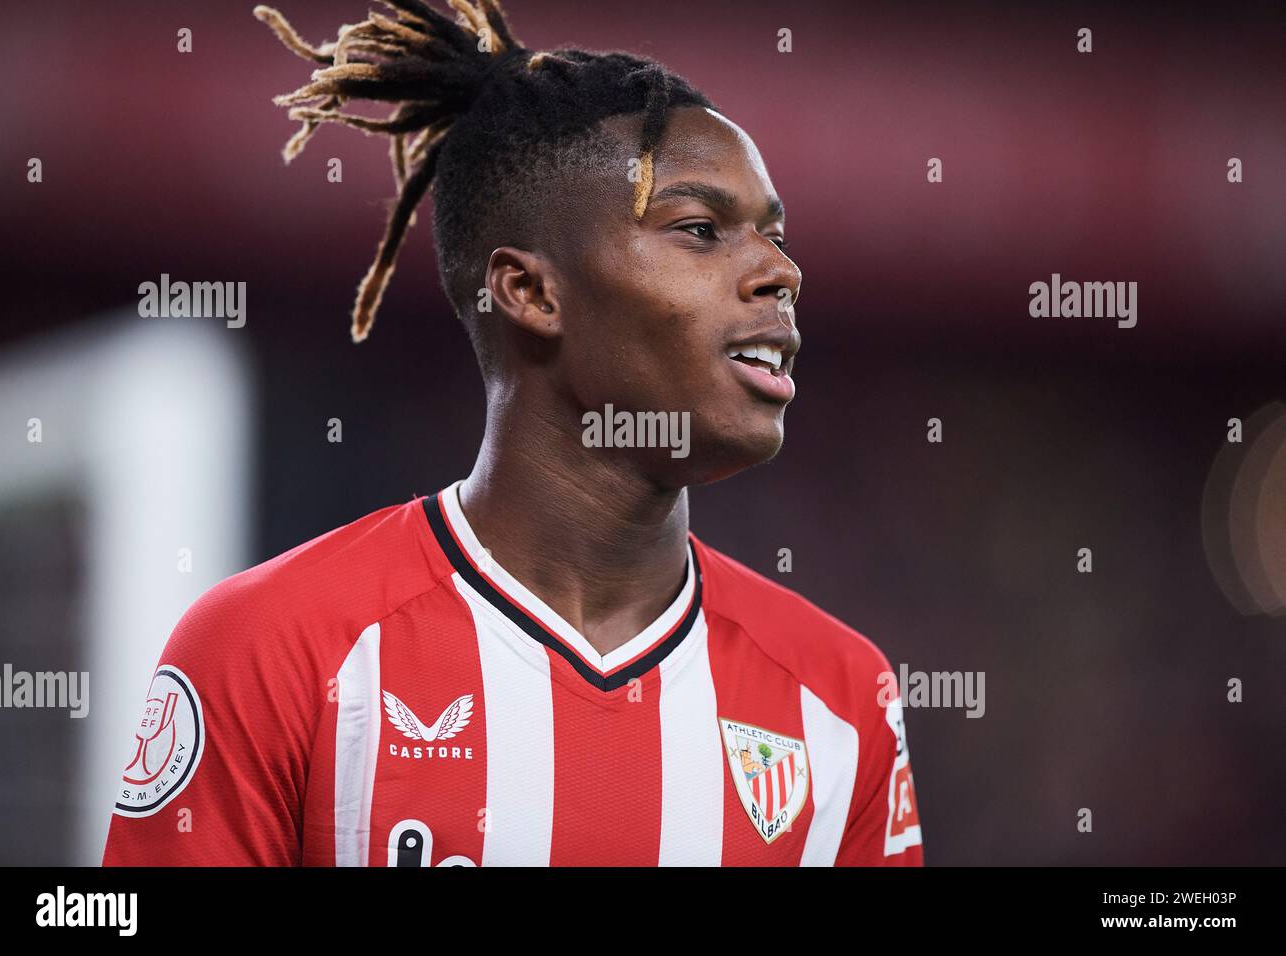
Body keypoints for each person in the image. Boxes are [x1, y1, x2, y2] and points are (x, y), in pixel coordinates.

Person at [102, 0, 922, 866]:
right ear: (531, 294)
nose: (780, 272)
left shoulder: (837, 699)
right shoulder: (273, 649)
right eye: (699, 230)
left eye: (775, 236)